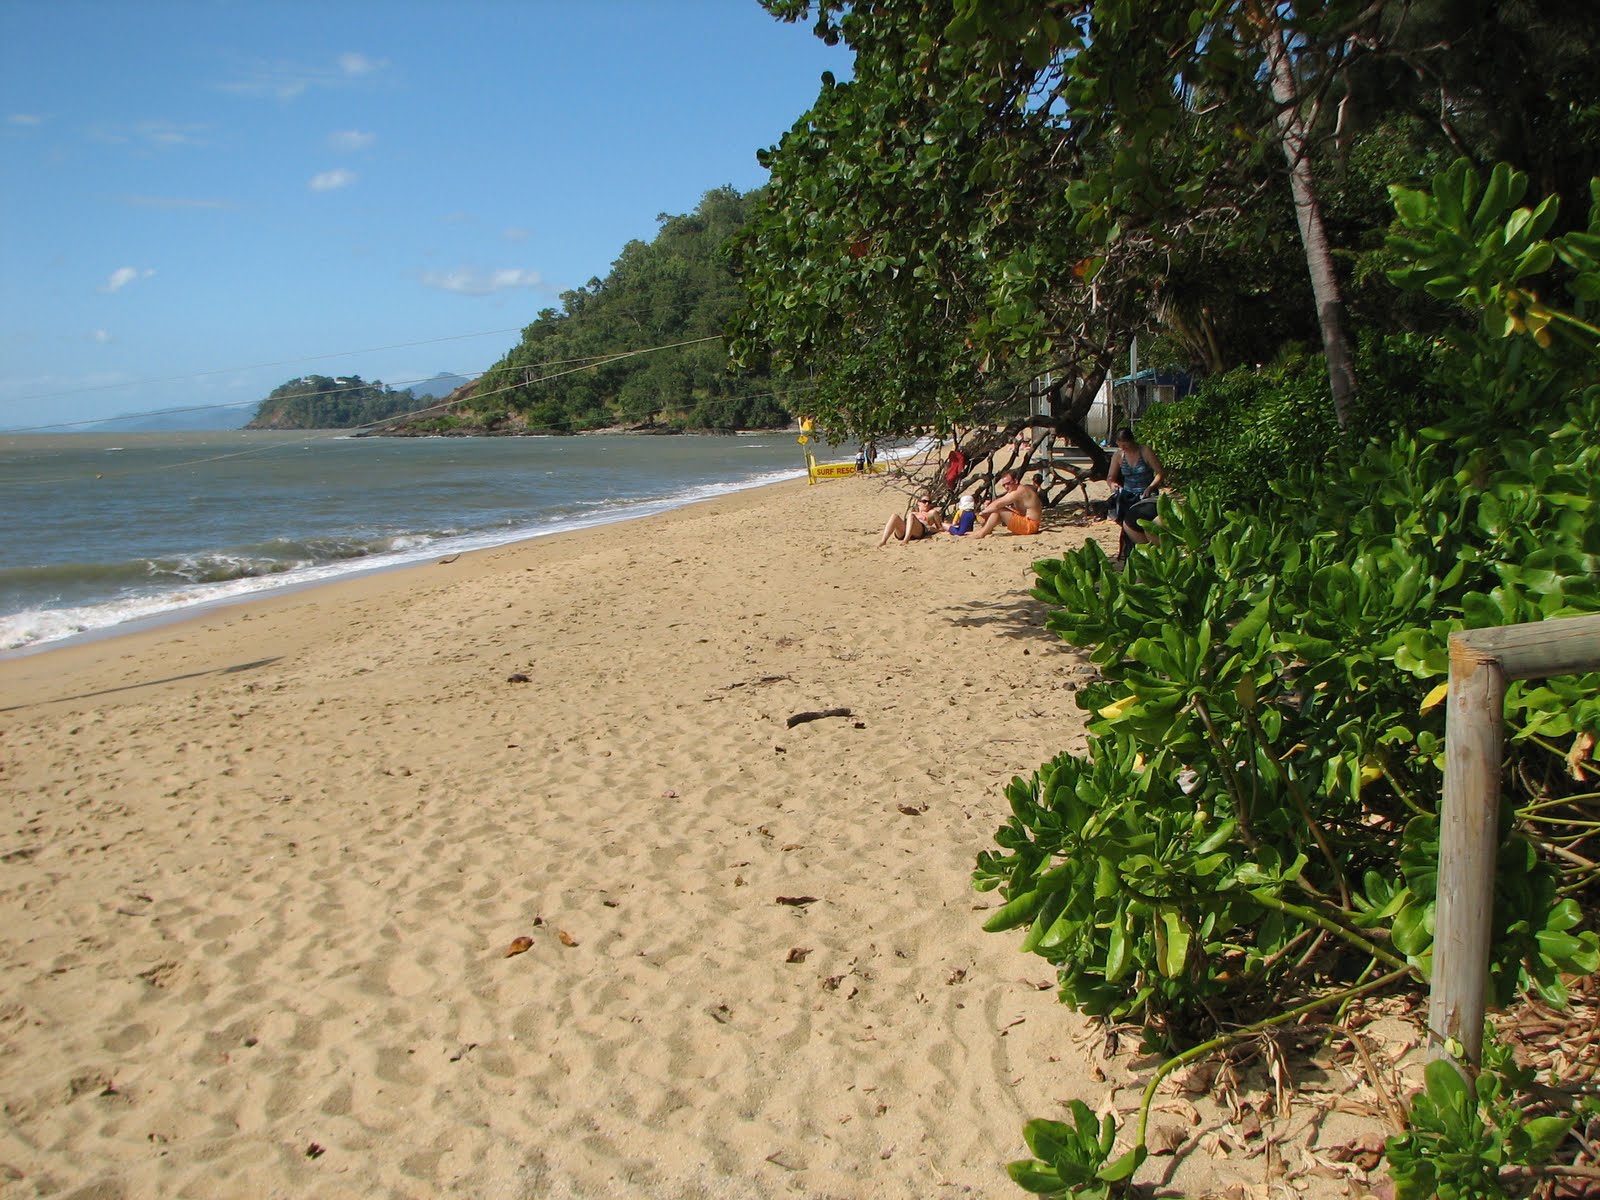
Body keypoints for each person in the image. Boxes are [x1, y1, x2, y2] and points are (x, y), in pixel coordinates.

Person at [1106, 426, 1165, 546]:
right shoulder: (1119, 455)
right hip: (1128, 494)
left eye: (1126, 446)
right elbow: (1110, 477)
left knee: (1147, 522)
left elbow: (1160, 473)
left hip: (1147, 494)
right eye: (1121, 446)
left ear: (1132, 441)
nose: (1124, 449)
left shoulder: (1145, 451)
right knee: (1127, 523)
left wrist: (1151, 487)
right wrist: (1112, 485)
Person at [970, 471, 1044, 538]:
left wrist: (982, 512)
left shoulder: (1019, 491)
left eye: (1008, 483)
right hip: (1028, 523)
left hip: (1030, 526)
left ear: (1015, 481)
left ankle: (982, 533)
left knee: (999, 509)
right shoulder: (1018, 490)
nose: (1006, 487)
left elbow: (997, 504)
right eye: (1004, 485)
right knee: (998, 511)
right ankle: (985, 530)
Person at [877, 492, 944, 546]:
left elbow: (940, 528)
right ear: (918, 503)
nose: (926, 504)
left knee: (911, 516)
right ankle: (884, 541)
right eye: (924, 501)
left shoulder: (931, 512)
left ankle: (906, 540)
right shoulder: (914, 512)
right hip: (905, 530)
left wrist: (932, 529)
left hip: (920, 530)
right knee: (894, 516)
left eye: (929, 502)